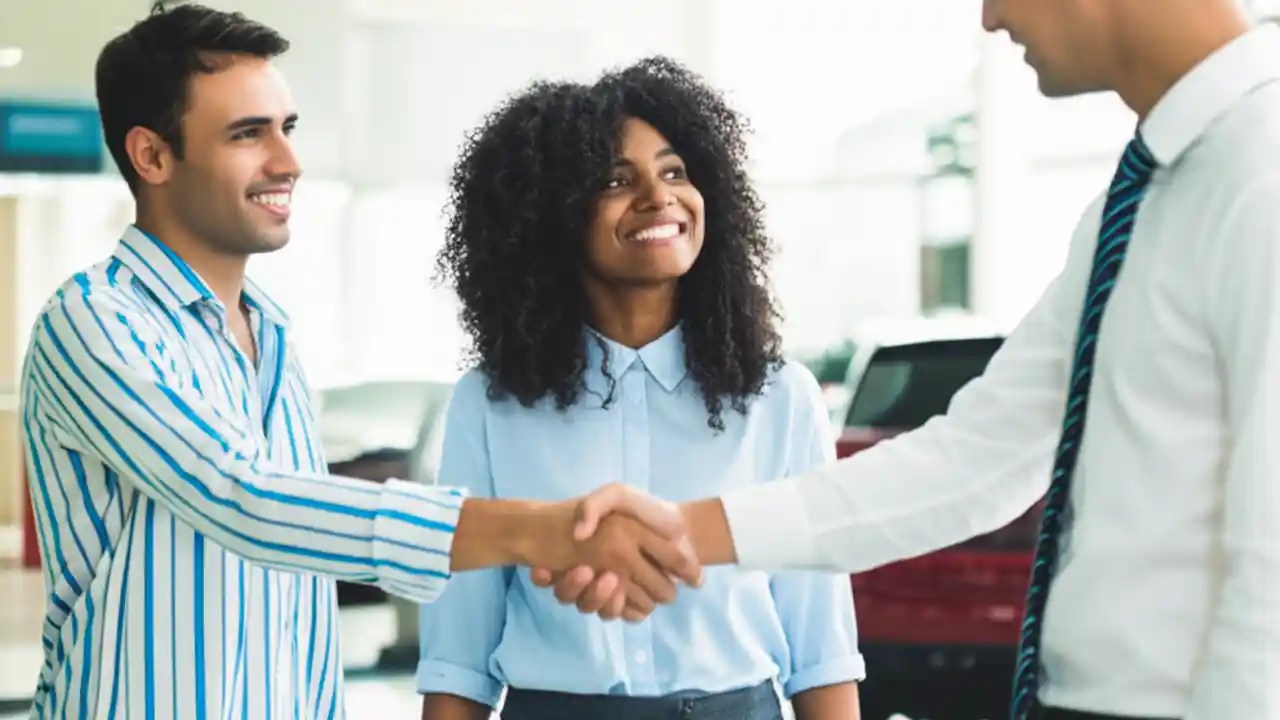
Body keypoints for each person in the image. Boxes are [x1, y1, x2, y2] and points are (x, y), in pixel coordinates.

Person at [546, 1, 1280, 718]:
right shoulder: (1143, 198)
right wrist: (682, 530)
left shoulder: (1261, 174)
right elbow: (977, 459)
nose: (991, 18)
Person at [18, 5, 698, 718]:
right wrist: (540, 528)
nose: (288, 162)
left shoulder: (270, 335)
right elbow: (246, 501)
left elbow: (297, 581)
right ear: (152, 156)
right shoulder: (95, 321)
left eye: (287, 128)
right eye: (248, 134)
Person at [417, 60, 864, 720]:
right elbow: (458, 651)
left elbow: (819, 644)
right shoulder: (490, 403)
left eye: (676, 171)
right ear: (553, 215)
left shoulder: (781, 396)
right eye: (616, 180)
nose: (659, 197)